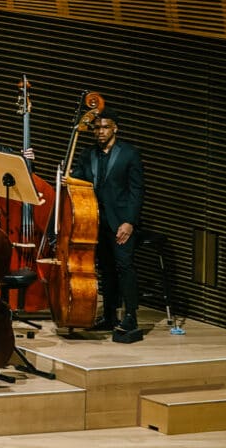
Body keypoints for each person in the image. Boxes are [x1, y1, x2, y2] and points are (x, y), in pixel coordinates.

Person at [80, 112, 146, 342]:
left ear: (115, 129)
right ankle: (108, 316)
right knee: (105, 269)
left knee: (124, 267)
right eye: (96, 128)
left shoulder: (129, 153)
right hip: (95, 221)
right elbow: (78, 181)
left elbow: (137, 191)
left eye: (105, 127)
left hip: (121, 221)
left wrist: (129, 222)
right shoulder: (88, 154)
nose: (100, 132)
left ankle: (130, 316)